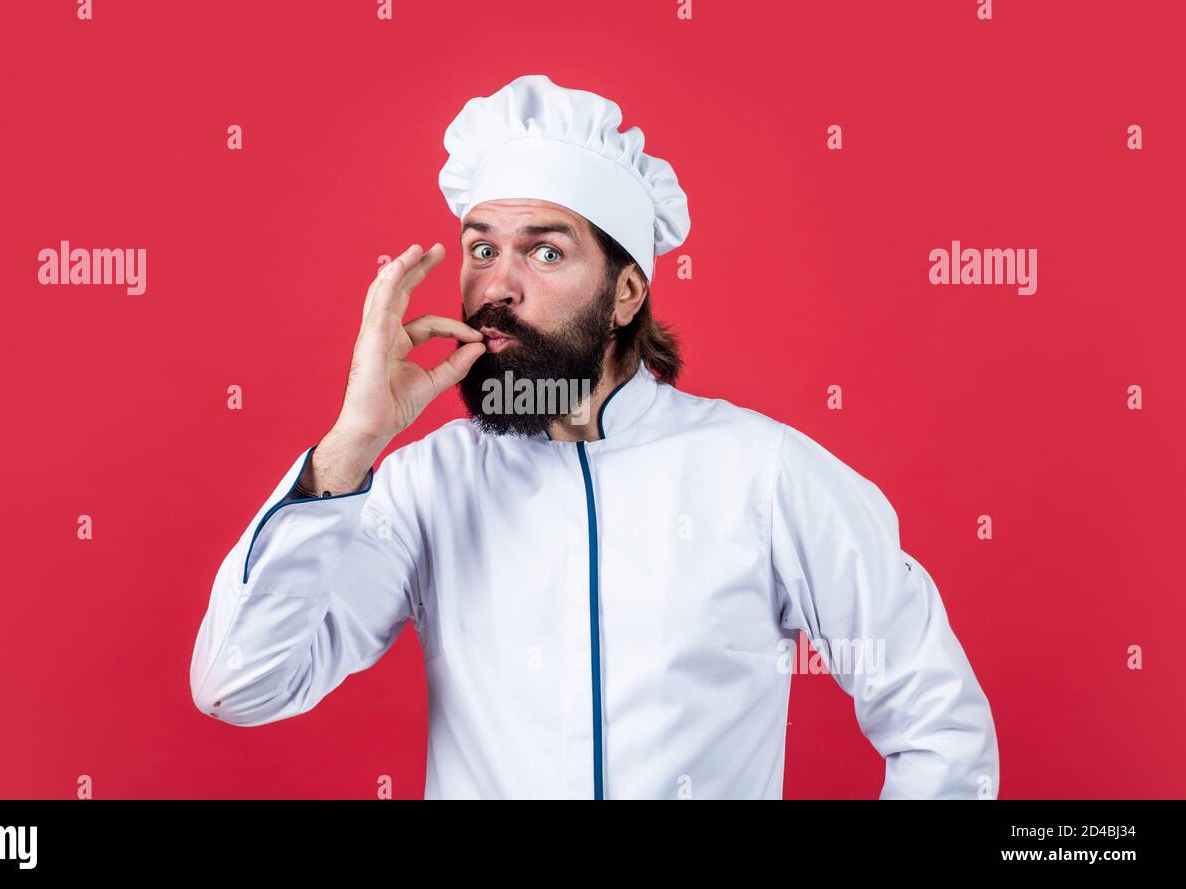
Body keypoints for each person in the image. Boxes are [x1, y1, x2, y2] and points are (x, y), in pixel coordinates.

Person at [189, 74, 999, 800]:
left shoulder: (762, 472)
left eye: (545, 250)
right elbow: (241, 684)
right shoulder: (421, 486)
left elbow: (941, 728)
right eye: (482, 249)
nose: (498, 286)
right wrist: (352, 440)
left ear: (625, 293)